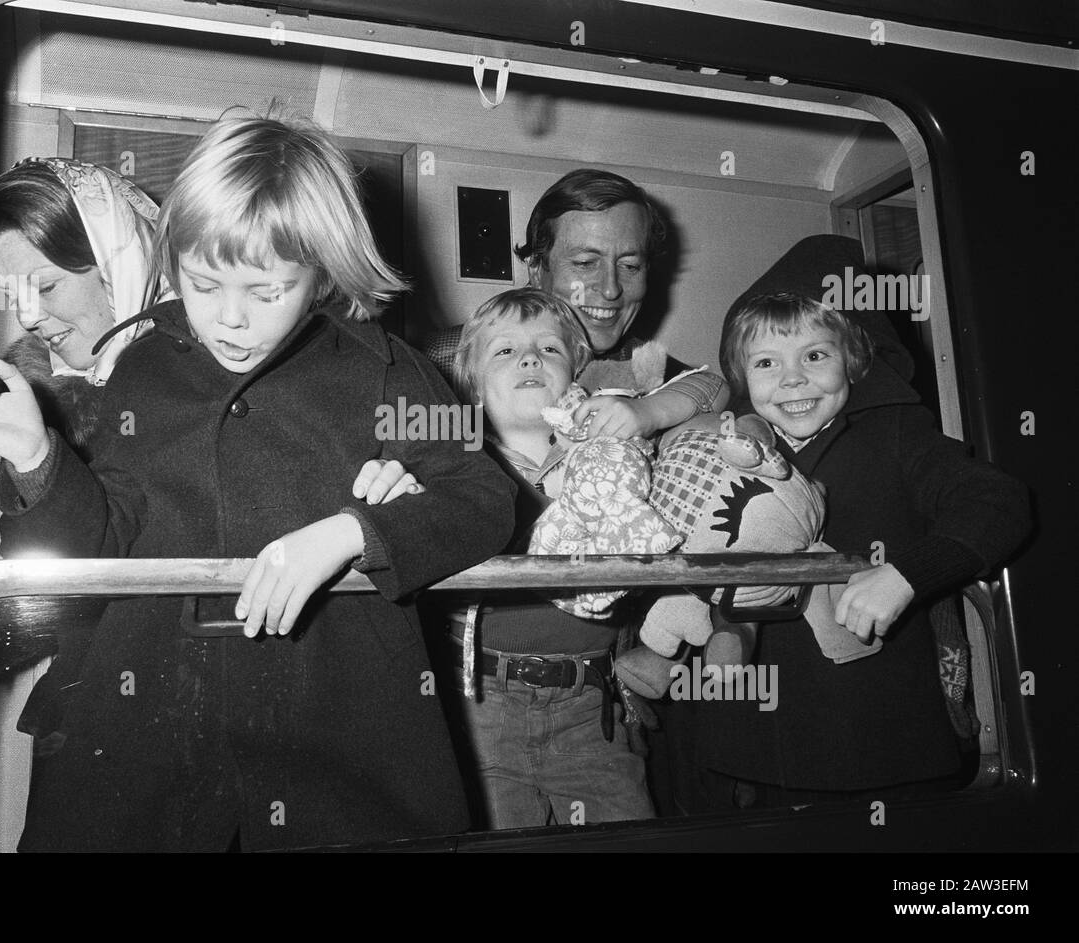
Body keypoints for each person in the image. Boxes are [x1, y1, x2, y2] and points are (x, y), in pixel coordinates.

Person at [0, 111, 517, 851]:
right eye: (204, 283)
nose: (231, 319)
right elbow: (95, 547)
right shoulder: (144, 367)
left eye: (268, 291)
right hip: (152, 746)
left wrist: (352, 535)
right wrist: (34, 456)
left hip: (340, 749)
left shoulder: (386, 370)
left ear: (322, 274)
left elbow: (484, 499)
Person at [0, 158, 421, 757]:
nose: (26, 316)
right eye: (13, 294)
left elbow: (458, 495)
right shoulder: (36, 400)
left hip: (307, 717)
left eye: (46, 286)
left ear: (116, 259)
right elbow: (50, 586)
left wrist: (382, 516)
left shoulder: (291, 358)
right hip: (117, 722)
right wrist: (34, 459)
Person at [681, 253, 1029, 810]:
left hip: (873, 731)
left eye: (815, 355)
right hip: (749, 734)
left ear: (855, 359)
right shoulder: (724, 451)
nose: (792, 378)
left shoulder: (895, 432)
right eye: (766, 362)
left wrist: (907, 574)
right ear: (742, 376)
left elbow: (998, 501)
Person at [443, 287, 656, 828]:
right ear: (472, 385)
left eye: (549, 350)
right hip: (481, 708)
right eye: (505, 352)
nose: (530, 358)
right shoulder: (456, 464)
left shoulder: (608, 454)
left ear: (577, 377)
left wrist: (647, 411)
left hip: (591, 705)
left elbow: (710, 385)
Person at [425, 169, 728, 439]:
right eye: (585, 263)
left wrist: (654, 412)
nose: (610, 290)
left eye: (631, 266)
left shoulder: (642, 367)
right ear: (536, 270)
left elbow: (715, 389)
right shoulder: (447, 359)